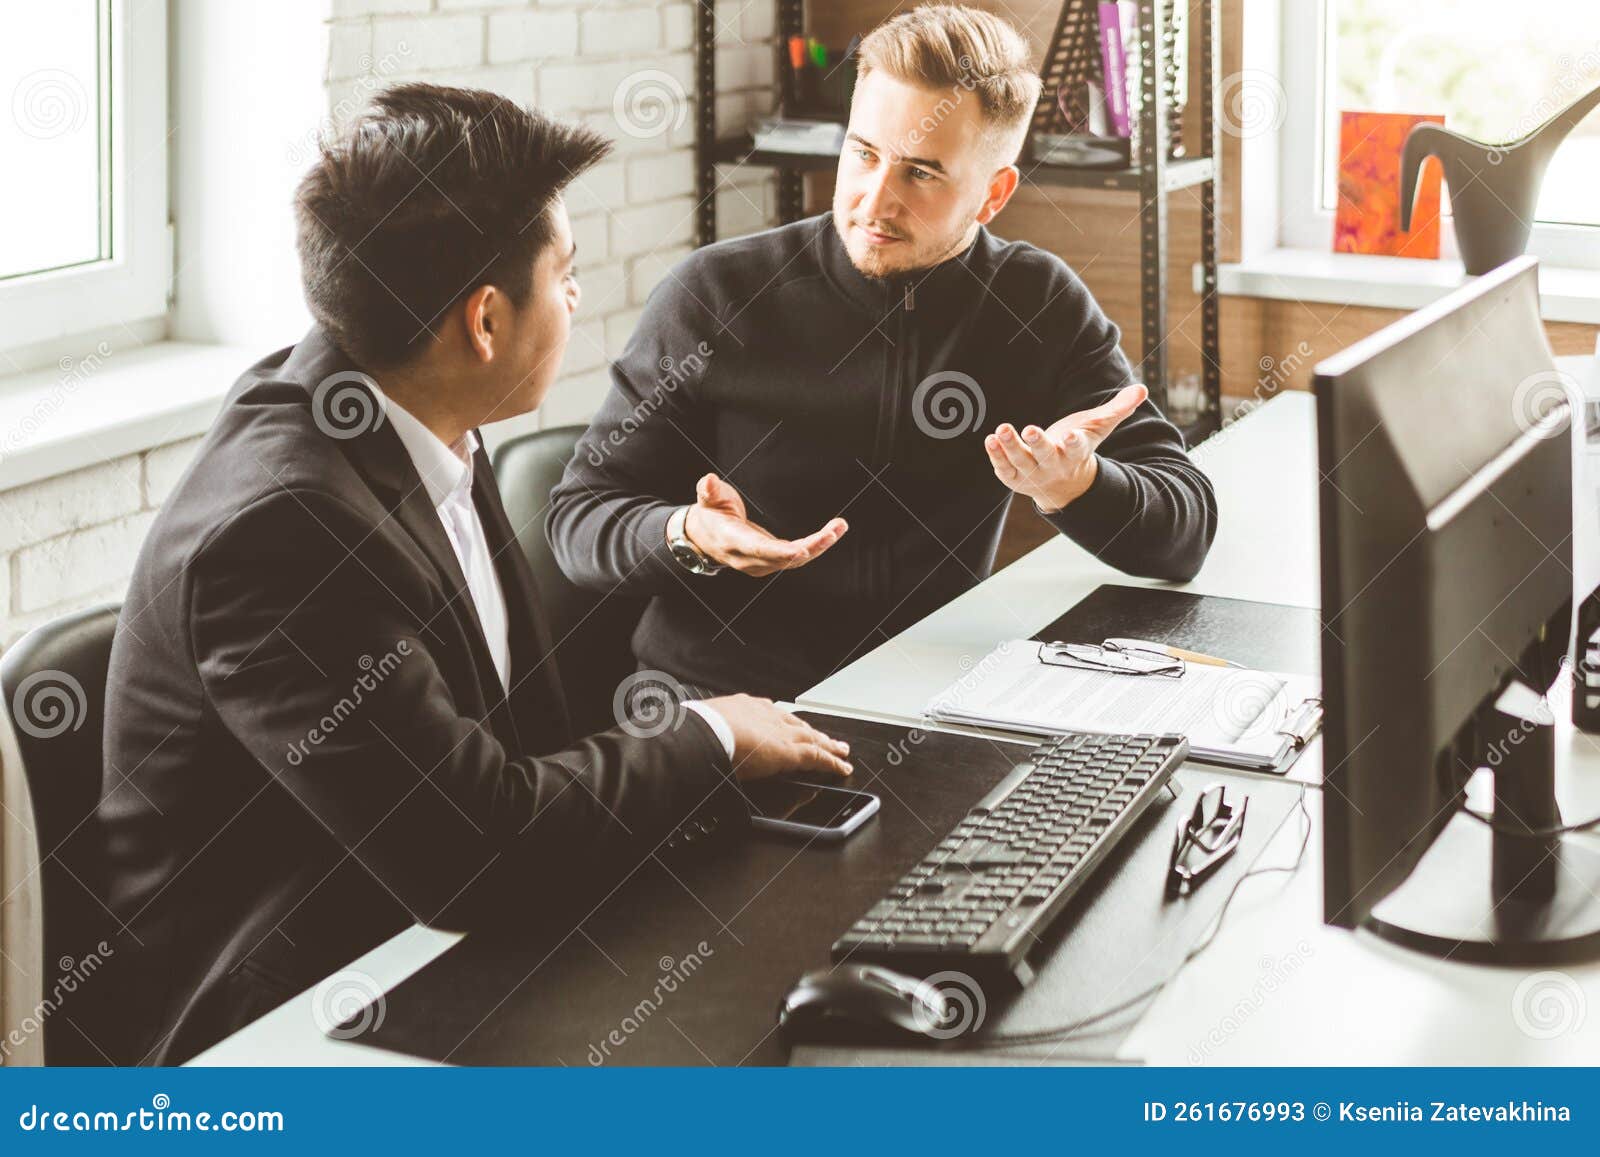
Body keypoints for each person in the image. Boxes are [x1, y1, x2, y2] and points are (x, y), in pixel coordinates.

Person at [99, 84, 850, 1066]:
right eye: (565, 273)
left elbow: (511, 759)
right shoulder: (283, 528)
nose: (578, 299)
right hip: (280, 1029)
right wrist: (710, 736)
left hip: (427, 940)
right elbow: (477, 853)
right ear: (485, 320)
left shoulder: (410, 408)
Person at [548, 4, 1218, 701]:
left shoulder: (1036, 303)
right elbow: (577, 517)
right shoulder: (715, 293)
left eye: (922, 174)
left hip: (927, 705)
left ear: (993, 194)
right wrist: (685, 532)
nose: (875, 202)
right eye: (863, 154)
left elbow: (1185, 529)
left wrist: (1072, 485)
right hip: (718, 710)